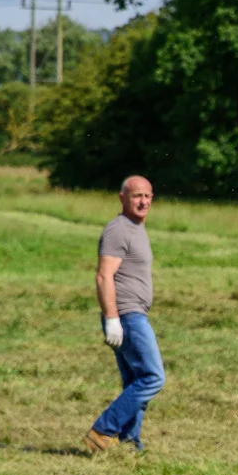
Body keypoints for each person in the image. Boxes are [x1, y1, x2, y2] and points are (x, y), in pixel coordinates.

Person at [84, 176, 165, 454]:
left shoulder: (136, 228)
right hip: (127, 315)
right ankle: (104, 429)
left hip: (132, 314)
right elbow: (103, 276)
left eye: (147, 196)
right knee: (153, 378)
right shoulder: (118, 230)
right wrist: (112, 319)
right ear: (122, 198)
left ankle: (131, 443)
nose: (143, 201)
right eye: (136, 196)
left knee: (135, 380)